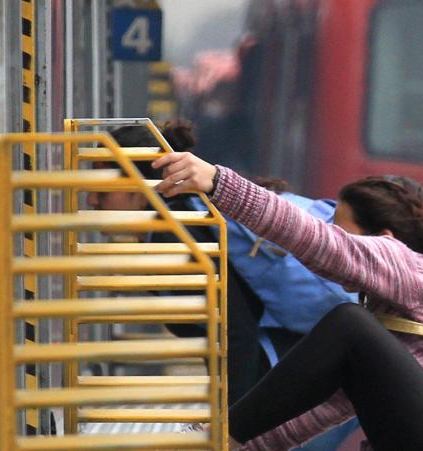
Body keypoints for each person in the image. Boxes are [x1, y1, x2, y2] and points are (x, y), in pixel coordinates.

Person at [152, 152, 423, 451]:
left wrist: (219, 183)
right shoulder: (391, 317)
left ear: (383, 239)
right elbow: (319, 411)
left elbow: (317, 243)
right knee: (349, 331)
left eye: (341, 227)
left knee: (347, 323)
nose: (333, 233)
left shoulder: (407, 267)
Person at [88, 122, 361, 451]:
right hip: (299, 369)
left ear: (141, 185)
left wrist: (231, 428)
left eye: (103, 189)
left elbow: (233, 327)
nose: (92, 200)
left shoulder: (177, 233)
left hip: (282, 380)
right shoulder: (189, 215)